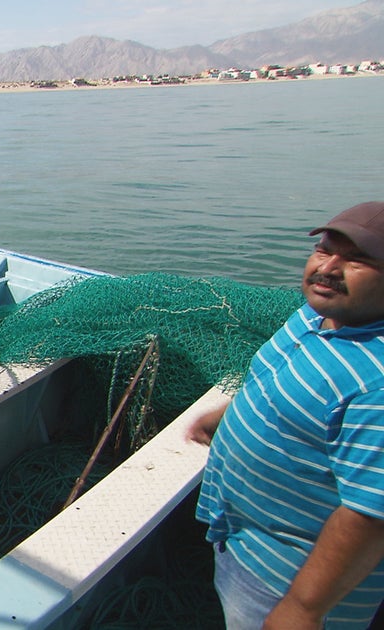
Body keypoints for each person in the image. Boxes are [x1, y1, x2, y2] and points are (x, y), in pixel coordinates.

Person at [188, 201, 384, 629]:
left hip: (288, 580)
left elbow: (370, 516)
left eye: (358, 260)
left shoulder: (377, 384)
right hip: (242, 539)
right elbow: (275, 381)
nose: (328, 268)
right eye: (324, 250)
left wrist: (303, 608)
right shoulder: (321, 314)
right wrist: (225, 416)